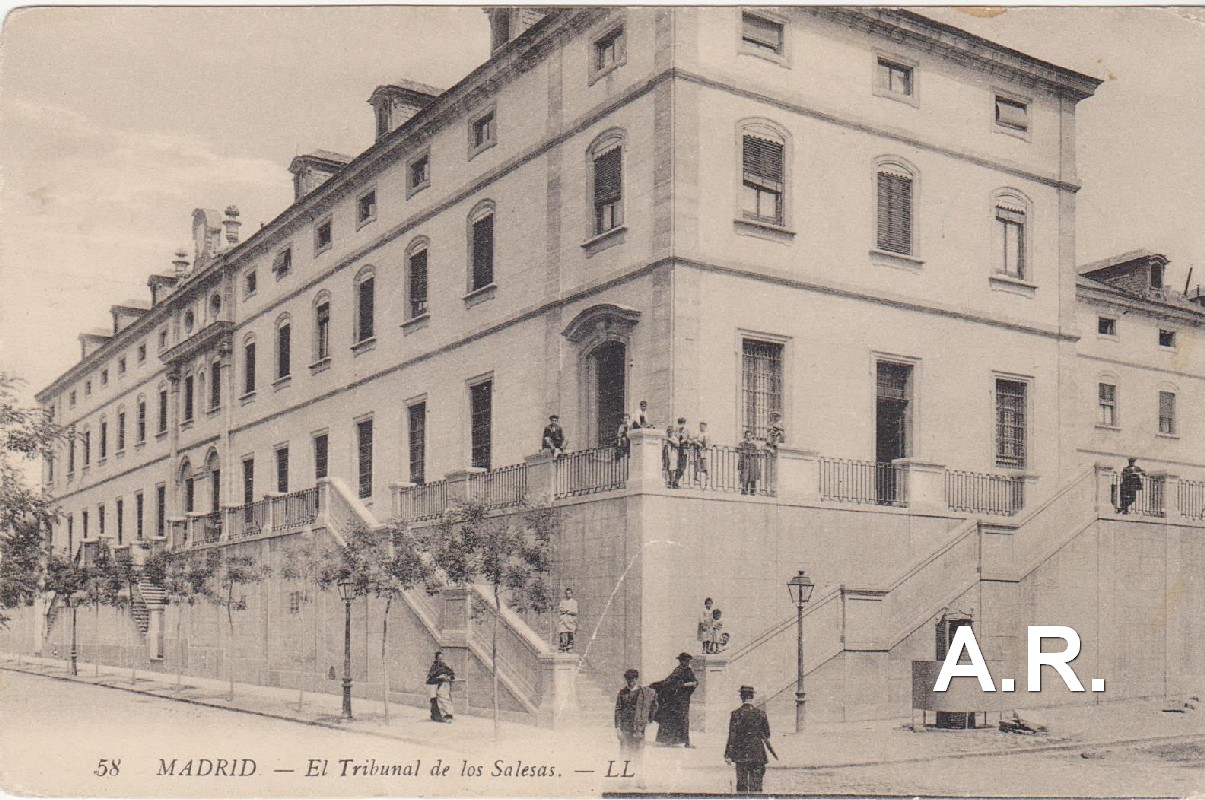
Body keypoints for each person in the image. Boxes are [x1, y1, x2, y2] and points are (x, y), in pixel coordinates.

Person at [724, 685, 773, 793]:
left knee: (742, 786)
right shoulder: (761, 714)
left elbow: (732, 735)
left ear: (741, 697)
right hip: (757, 753)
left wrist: (727, 755)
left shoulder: (735, 714)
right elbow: (767, 734)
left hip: (741, 755)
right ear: (752, 697)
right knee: (756, 785)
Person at [650, 652, 698, 747]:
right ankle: (673, 740)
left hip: (684, 700)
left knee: (682, 719)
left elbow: (695, 681)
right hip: (676, 700)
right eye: (685, 661)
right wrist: (685, 685)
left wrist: (693, 683)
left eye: (687, 661)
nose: (686, 662)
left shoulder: (688, 670)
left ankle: (685, 742)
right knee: (674, 719)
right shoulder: (678, 671)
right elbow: (669, 683)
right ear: (681, 661)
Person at [614, 669, 658, 763]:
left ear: (636, 679)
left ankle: (637, 774)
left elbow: (654, 705)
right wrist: (618, 728)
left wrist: (650, 719)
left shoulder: (645, 692)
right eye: (628, 680)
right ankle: (625, 774)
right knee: (625, 754)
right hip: (625, 727)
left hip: (639, 728)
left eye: (632, 679)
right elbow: (618, 710)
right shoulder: (622, 693)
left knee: (637, 754)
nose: (630, 682)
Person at [425, 651, 456, 723]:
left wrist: (448, 677)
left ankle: (448, 715)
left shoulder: (445, 667)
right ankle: (436, 715)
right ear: (436, 659)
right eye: (439, 659)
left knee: (444, 699)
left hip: (443, 685)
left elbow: (451, 674)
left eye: (442, 659)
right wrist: (438, 677)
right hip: (434, 685)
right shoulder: (434, 667)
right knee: (434, 700)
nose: (441, 660)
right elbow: (430, 677)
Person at [737, 429, 762, 495]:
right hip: (745, 462)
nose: (749, 437)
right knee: (744, 476)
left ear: (752, 436)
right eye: (747, 435)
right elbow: (738, 451)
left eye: (750, 435)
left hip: (752, 462)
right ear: (745, 436)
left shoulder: (754, 445)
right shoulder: (742, 444)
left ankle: (752, 491)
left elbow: (756, 453)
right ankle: (744, 490)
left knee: (752, 476)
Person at [557, 587, 579, 653]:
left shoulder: (574, 602)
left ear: (571, 594)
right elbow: (560, 609)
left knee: (570, 633)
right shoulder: (562, 602)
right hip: (563, 619)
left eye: (569, 593)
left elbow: (575, 611)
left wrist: (570, 612)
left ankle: (569, 647)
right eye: (566, 593)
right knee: (562, 633)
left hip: (571, 620)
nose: (568, 595)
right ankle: (562, 647)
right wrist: (564, 611)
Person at [692, 421, 710, 488]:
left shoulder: (707, 434)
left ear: (705, 426)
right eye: (700, 426)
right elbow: (693, 439)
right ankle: (696, 476)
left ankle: (706, 476)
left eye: (703, 426)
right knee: (697, 463)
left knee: (704, 463)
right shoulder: (698, 433)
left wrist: (707, 445)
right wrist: (698, 443)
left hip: (704, 451)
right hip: (698, 450)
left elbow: (709, 442)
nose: (701, 427)